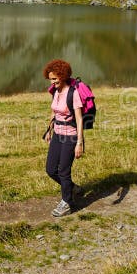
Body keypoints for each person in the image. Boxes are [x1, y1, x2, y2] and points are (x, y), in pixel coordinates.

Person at [43, 59, 84, 217]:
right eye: (50, 79)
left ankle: (67, 202)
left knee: (63, 172)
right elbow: (54, 111)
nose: (52, 82)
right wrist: (49, 130)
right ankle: (72, 188)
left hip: (71, 136)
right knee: (51, 169)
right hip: (57, 135)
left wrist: (79, 143)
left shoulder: (73, 93)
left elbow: (79, 119)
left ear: (63, 75)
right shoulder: (55, 91)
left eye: (54, 79)